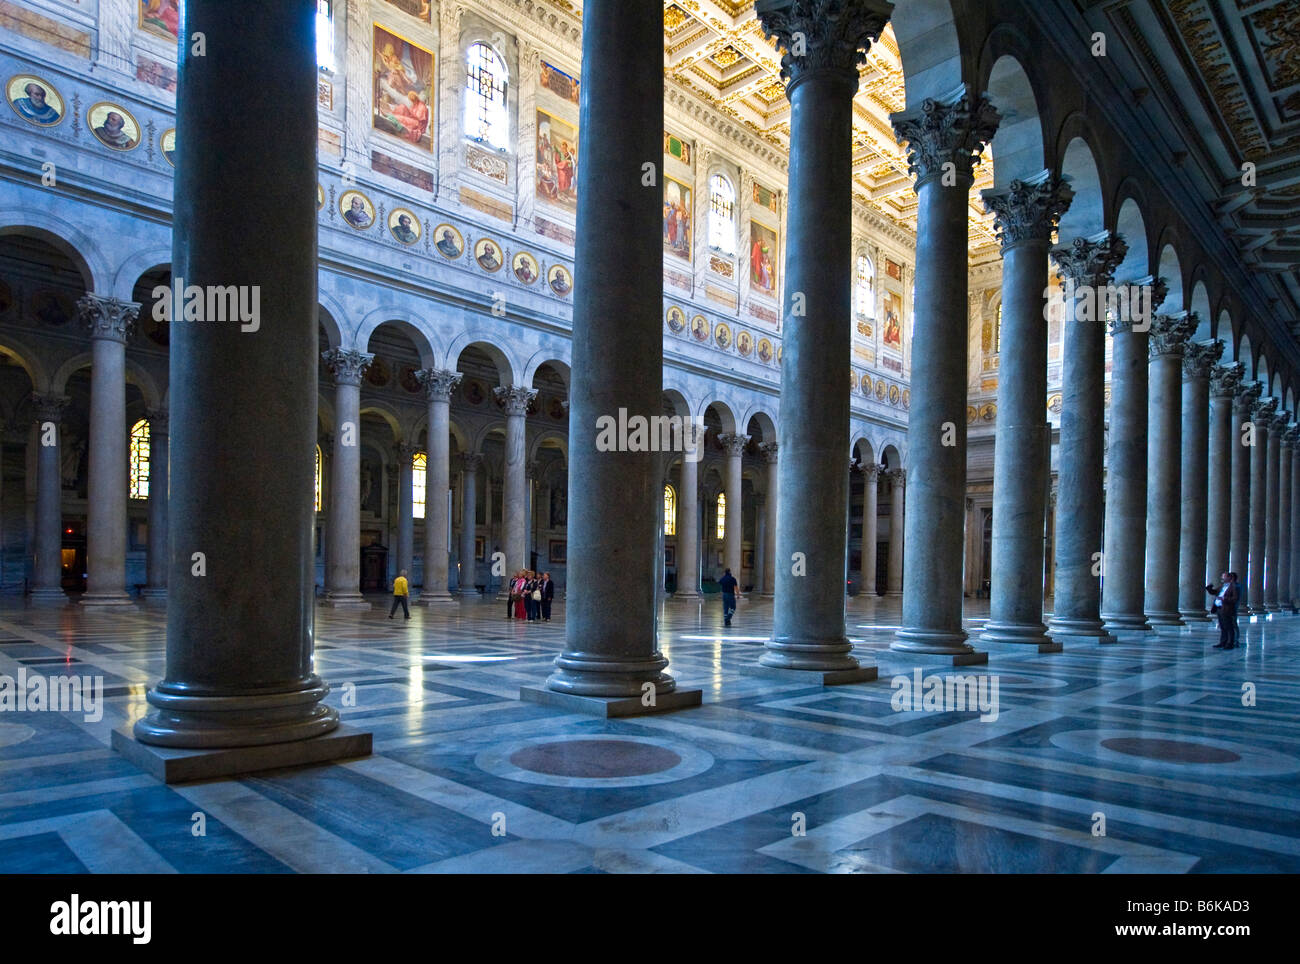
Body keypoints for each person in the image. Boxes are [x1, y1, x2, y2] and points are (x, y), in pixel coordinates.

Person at [1206, 571, 1239, 649]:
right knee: (1223, 626)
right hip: (1219, 608)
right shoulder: (1222, 586)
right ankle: (1223, 642)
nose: (1222, 578)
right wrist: (1209, 589)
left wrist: (1224, 598)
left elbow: (1235, 598)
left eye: (1224, 577)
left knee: (1229, 626)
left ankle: (1230, 643)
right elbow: (1215, 592)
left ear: (1229, 578)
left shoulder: (1234, 586)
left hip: (1227, 609)